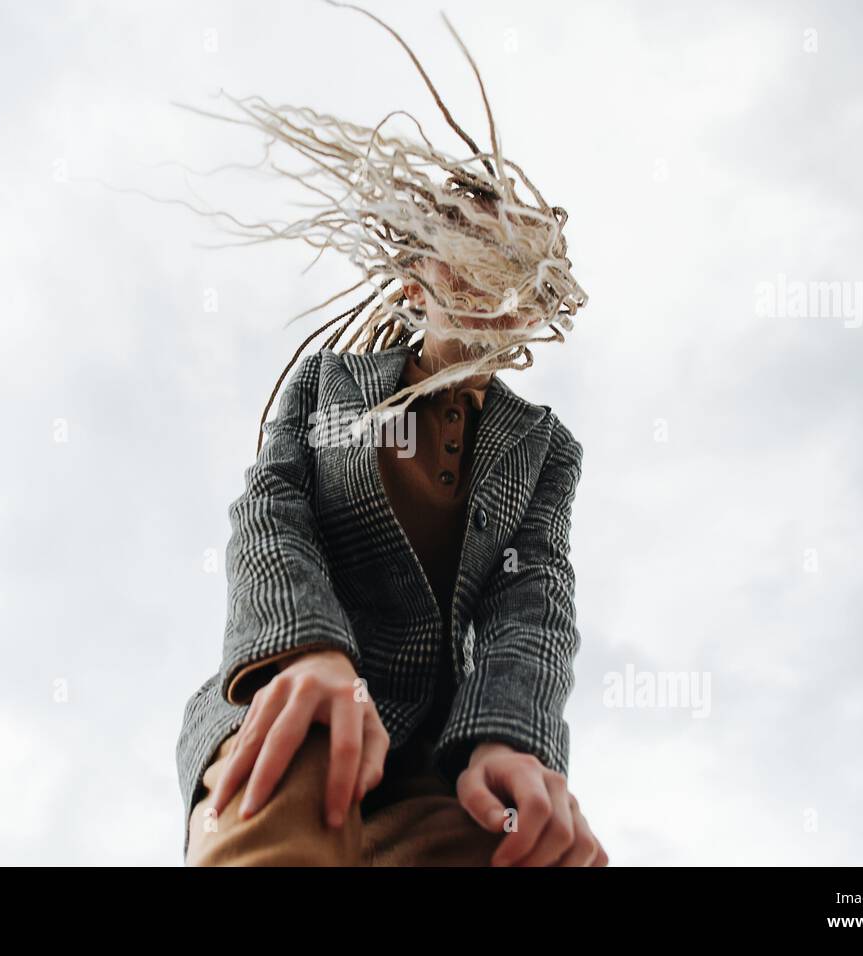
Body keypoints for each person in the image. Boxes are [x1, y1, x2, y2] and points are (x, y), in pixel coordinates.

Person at [172, 2, 607, 866]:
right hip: (290, 697)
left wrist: (511, 738)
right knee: (274, 812)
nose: (490, 287)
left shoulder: (543, 448)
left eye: (514, 272)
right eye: (466, 254)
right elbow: (272, 512)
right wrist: (307, 652)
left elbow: (531, 598)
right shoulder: (329, 382)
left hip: (446, 758)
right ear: (414, 280)